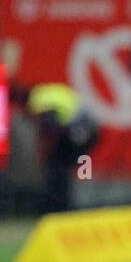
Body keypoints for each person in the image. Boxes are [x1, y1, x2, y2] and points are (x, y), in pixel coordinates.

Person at [27, 83, 99, 213]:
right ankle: (61, 205)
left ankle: (58, 207)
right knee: (61, 168)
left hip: (80, 132)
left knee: (58, 169)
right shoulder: (45, 95)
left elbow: (53, 128)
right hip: (87, 131)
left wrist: (45, 150)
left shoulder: (39, 103)